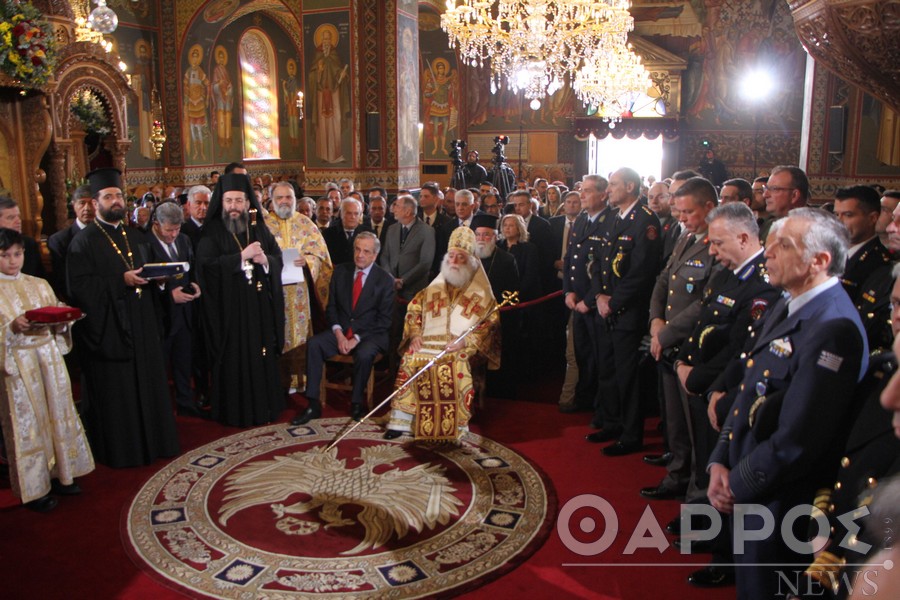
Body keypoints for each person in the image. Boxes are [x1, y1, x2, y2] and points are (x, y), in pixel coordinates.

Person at [708, 208, 867, 600]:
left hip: (780, 496)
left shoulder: (833, 327)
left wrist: (738, 483)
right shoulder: (789, 301)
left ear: (820, 260)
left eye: (783, 246)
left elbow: (798, 438)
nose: (768, 253)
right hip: (750, 478)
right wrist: (719, 458)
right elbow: (750, 390)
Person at [66, 167, 179, 467]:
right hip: (112, 329)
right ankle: (125, 451)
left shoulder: (136, 235)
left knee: (149, 382)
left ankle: (156, 443)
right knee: (121, 394)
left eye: (118, 195)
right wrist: (121, 281)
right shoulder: (84, 242)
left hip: (142, 324)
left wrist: (162, 279)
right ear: (95, 202)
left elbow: (154, 268)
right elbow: (79, 288)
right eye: (108, 196)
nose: (115, 201)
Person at [0, 228, 94, 512]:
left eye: (17, 254)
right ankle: (35, 487)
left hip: (48, 358)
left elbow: (55, 313)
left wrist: (64, 318)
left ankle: (64, 475)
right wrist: (11, 327)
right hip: (17, 365)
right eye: (5, 256)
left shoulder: (38, 283)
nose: (13, 261)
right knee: (30, 424)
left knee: (58, 414)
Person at [641, 177, 720, 499]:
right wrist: (656, 322)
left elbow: (708, 301)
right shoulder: (686, 238)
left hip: (693, 347)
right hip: (667, 341)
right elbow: (665, 279)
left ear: (709, 208)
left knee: (695, 426)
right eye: (679, 211)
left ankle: (697, 493)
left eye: (688, 211)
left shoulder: (716, 243)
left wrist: (667, 331)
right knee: (674, 422)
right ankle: (676, 476)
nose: (681, 217)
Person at [384, 227, 500, 440]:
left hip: (460, 347)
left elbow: (489, 324)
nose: (455, 261)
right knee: (411, 357)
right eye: (452, 256)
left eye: (461, 257)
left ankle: (454, 425)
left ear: (471, 260)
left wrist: (466, 341)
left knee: (455, 364)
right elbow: (415, 308)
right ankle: (402, 421)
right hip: (429, 341)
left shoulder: (482, 293)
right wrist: (416, 334)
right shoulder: (434, 287)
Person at [196, 173, 285, 427]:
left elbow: (277, 258)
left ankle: (266, 407)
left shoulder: (258, 228)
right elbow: (205, 268)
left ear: (248, 203)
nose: (233, 206)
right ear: (221, 203)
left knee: (262, 352)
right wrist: (240, 257)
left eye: (238, 200)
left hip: (258, 309)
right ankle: (236, 411)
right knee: (236, 357)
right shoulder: (211, 231)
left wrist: (266, 261)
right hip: (230, 312)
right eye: (228, 201)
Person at [590, 167, 662, 456]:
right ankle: (612, 422)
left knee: (627, 375)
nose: (609, 190)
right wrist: (597, 295)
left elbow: (642, 272)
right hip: (606, 307)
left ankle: (632, 434)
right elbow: (596, 261)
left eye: (614, 185)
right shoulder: (612, 218)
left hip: (627, 311)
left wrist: (612, 302)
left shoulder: (645, 221)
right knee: (607, 369)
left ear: (631, 186)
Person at [292, 232, 394, 424]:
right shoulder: (340, 272)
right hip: (342, 331)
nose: (360, 255)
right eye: (357, 249)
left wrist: (355, 338)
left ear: (374, 255)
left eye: (366, 251)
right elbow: (331, 308)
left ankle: (356, 404)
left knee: (364, 354)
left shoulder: (385, 280)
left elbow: (383, 321)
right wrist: (339, 334)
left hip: (370, 334)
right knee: (314, 344)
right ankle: (313, 404)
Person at [268, 181, 333, 393]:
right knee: (276, 334)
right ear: (272, 201)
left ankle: (302, 380)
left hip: (300, 295)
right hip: (274, 294)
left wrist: (308, 261)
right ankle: (278, 379)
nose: (284, 201)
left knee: (301, 335)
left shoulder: (307, 224)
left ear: (295, 199)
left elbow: (322, 257)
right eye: (280, 198)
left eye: (288, 197)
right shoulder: (264, 225)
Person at [148, 201, 203, 417]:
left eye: (177, 229)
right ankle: (161, 409)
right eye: (169, 230)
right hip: (161, 316)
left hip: (185, 314)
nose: (173, 235)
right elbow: (144, 281)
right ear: (156, 224)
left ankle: (186, 403)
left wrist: (196, 285)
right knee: (161, 366)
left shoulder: (184, 240)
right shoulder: (145, 244)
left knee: (184, 361)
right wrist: (169, 295)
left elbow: (191, 266)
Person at [308, 27, 348, 163]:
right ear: (321, 40)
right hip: (320, 94)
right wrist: (318, 72)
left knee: (335, 122)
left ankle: (335, 154)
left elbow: (338, 74)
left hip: (334, 94)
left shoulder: (334, 55)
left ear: (332, 40)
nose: (326, 42)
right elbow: (312, 76)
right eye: (324, 39)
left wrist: (342, 76)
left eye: (328, 39)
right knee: (322, 125)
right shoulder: (317, 56)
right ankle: (323, 155)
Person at [48, 185, 95, 300]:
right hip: (77, 300)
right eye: (82, 203)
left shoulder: (106, 235)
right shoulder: (59, 240)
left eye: (91, 203)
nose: (87, 208)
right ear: (74, 205)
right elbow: (62, 279)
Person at [0, 197, 46, 280]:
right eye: (11, 217)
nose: (18, 221)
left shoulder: (29, 244)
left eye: (18, 216)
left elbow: (39, 277)